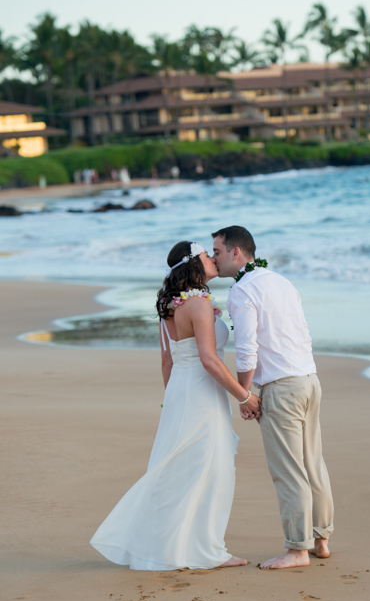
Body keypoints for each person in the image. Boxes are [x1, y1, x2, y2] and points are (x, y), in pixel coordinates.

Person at [90, 240, 260, 571]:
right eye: (206, 255)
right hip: (201, 391)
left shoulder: (169, 306)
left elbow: (167, 361)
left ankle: (172, 547)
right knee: (213, 469)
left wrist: (173, 402)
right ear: (193, 264)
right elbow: (209, 360)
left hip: (182, 390)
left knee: (182, 469)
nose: (213, 259)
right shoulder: (198, 304)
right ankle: (207, 550)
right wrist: (244, 395)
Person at [212, 225, 334, 570]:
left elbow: (246, 350)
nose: (215, 259)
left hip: (281, 387)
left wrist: (244, 395)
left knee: (288, 471)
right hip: (309, 379)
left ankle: (297, 549)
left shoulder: (242, 291)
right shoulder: (281, 281)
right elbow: (303, 332)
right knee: (313, 463)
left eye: (218, 252)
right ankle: (321, 539)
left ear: (236, 252)